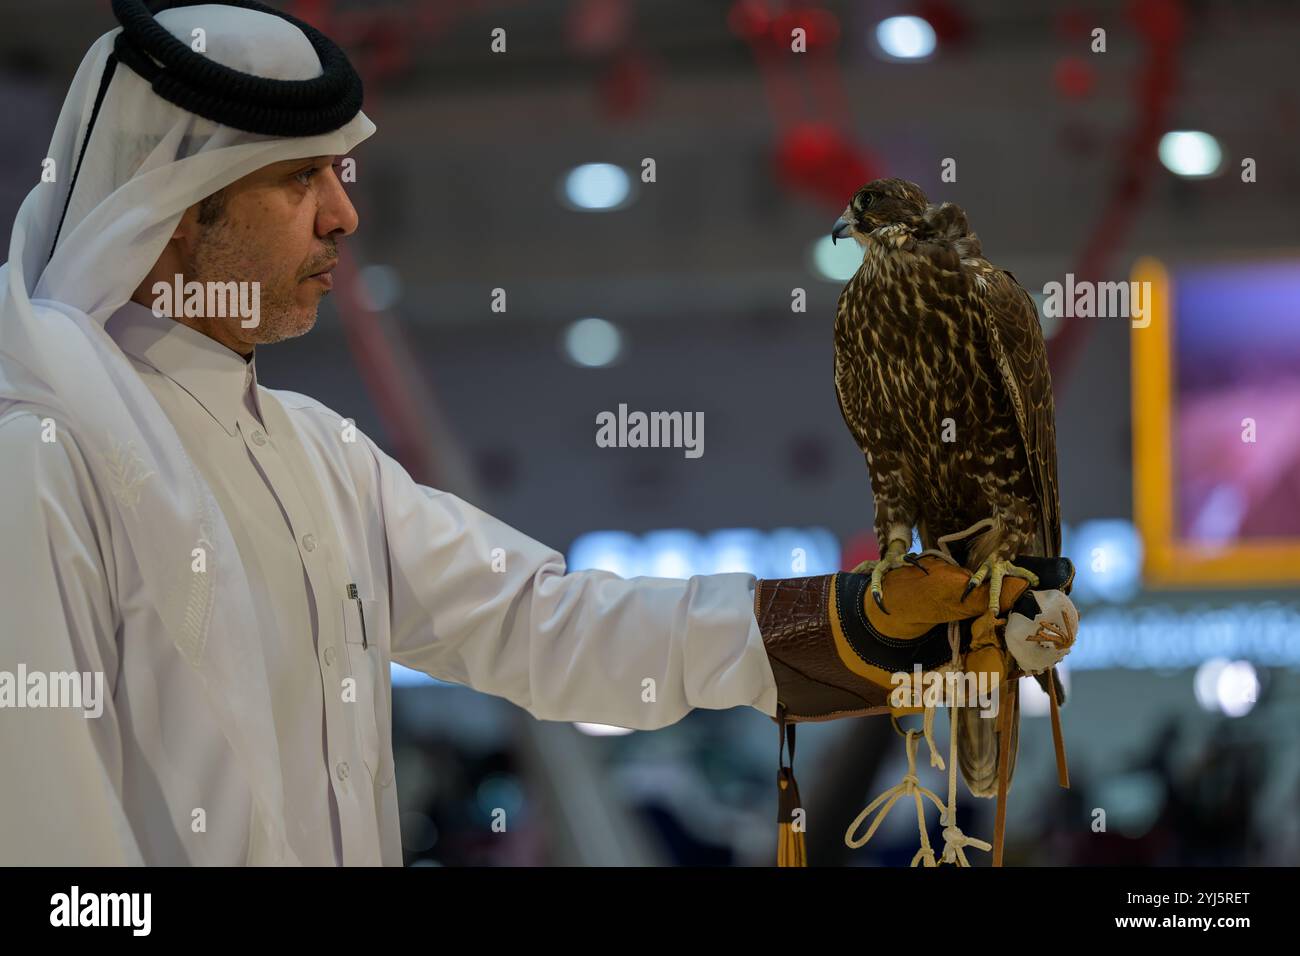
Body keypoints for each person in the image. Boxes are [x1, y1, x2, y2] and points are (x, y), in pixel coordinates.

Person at [0, 1, 1074, 867]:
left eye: (341, 173)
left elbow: (543, 622)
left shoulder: (316, 455)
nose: (344, 214)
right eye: (299, 178)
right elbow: (49, 842)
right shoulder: (47, 442)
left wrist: (859, 621)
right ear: (178, 208)